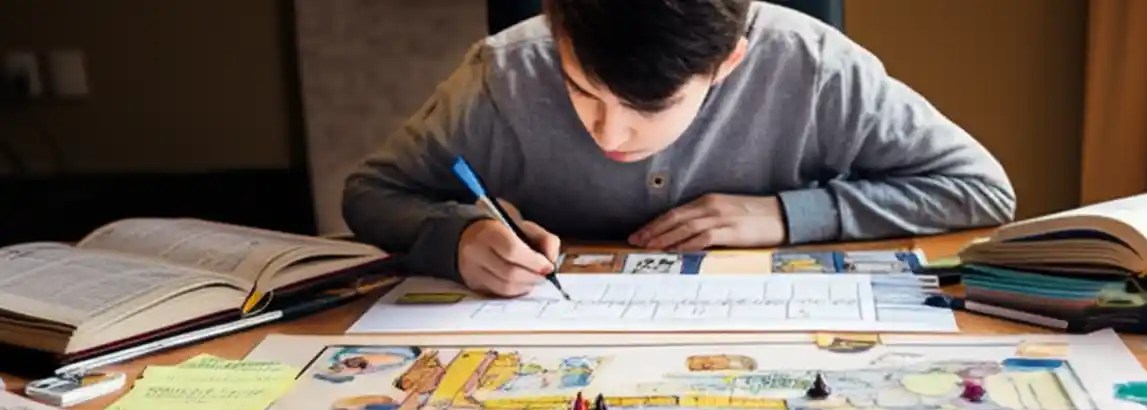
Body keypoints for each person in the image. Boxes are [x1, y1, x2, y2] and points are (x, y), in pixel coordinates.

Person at [342, 0, 1015, 297]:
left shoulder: (813, 70)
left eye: (649, 108)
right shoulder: (505, 74)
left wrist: (786, 215)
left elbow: (981, 189)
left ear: (727, 63)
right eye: (582, 92)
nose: (609, 133)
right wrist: (456, 236)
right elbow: (371, 194)